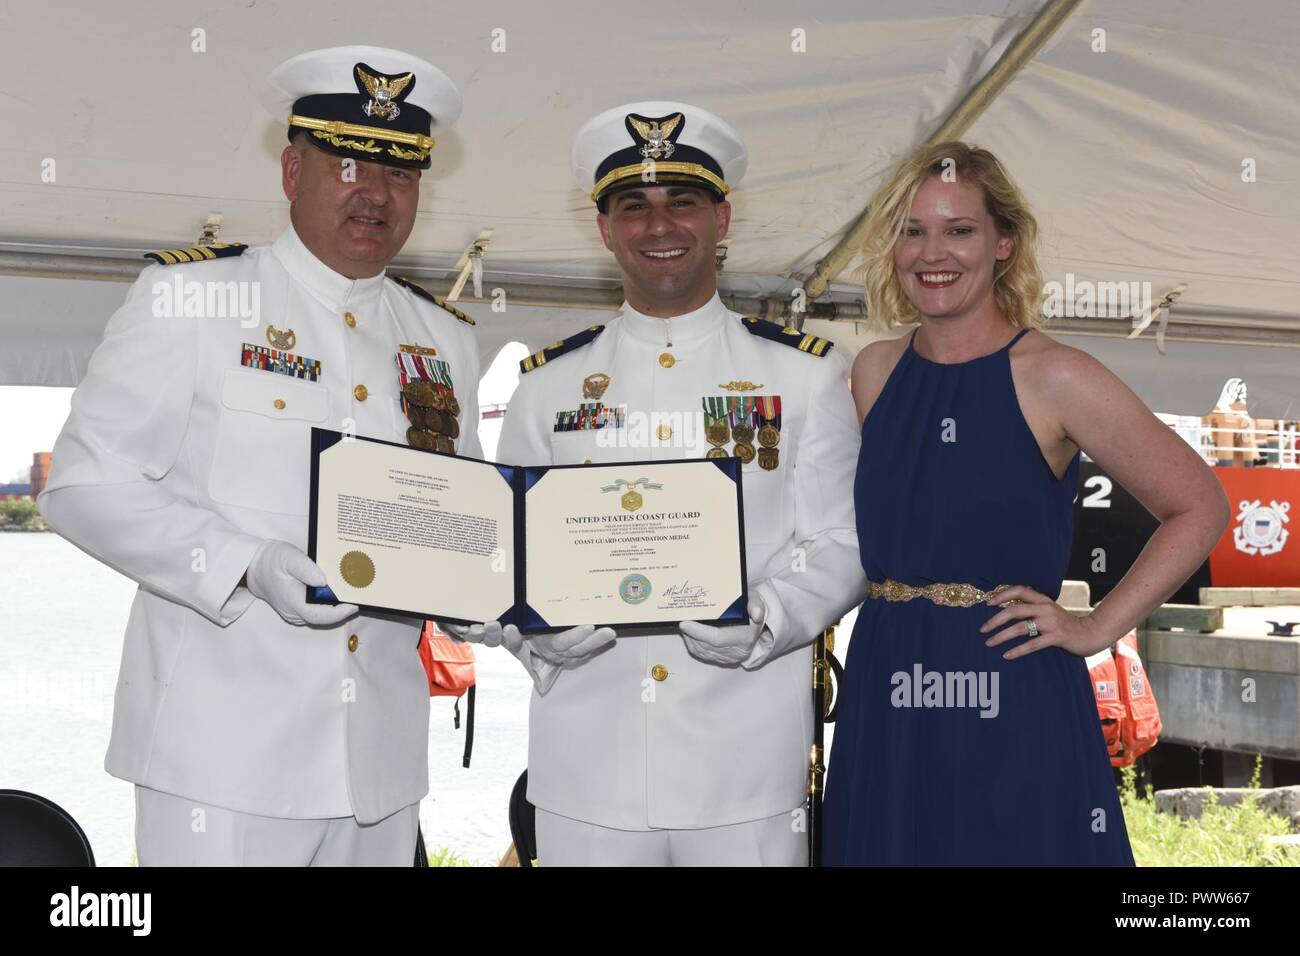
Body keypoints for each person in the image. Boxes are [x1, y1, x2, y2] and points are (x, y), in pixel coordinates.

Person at [37, 46, 480, 866]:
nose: (375, 193)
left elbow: (461, 525)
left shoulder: (443, 340)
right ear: (291, 170)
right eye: (347, 164)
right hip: (220, 763)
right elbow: (83, 486)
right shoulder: (193, 299)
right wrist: (246, 565)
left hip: (377, 772)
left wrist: (489, 593)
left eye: (401, 173)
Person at [452, 101, 864, 866]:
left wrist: (769, 617)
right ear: (605, 228)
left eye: (684, 202)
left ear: (722, 218)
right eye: (633, 206)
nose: (659, 225)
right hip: (587, 766)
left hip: (744, 768)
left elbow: (840, 540)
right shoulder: (547, 386)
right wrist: (536, 636)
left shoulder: (805, 375)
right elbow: (511, 561)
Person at [821, 141, 1230, 865]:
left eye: (959, 229)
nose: (931, 252)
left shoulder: (1057, 376)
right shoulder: (874, 371)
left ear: (1004, 242)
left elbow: (1199, 504)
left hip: (1007, 681)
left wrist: (1098, 626)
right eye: (912, 230)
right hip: (888, 680)